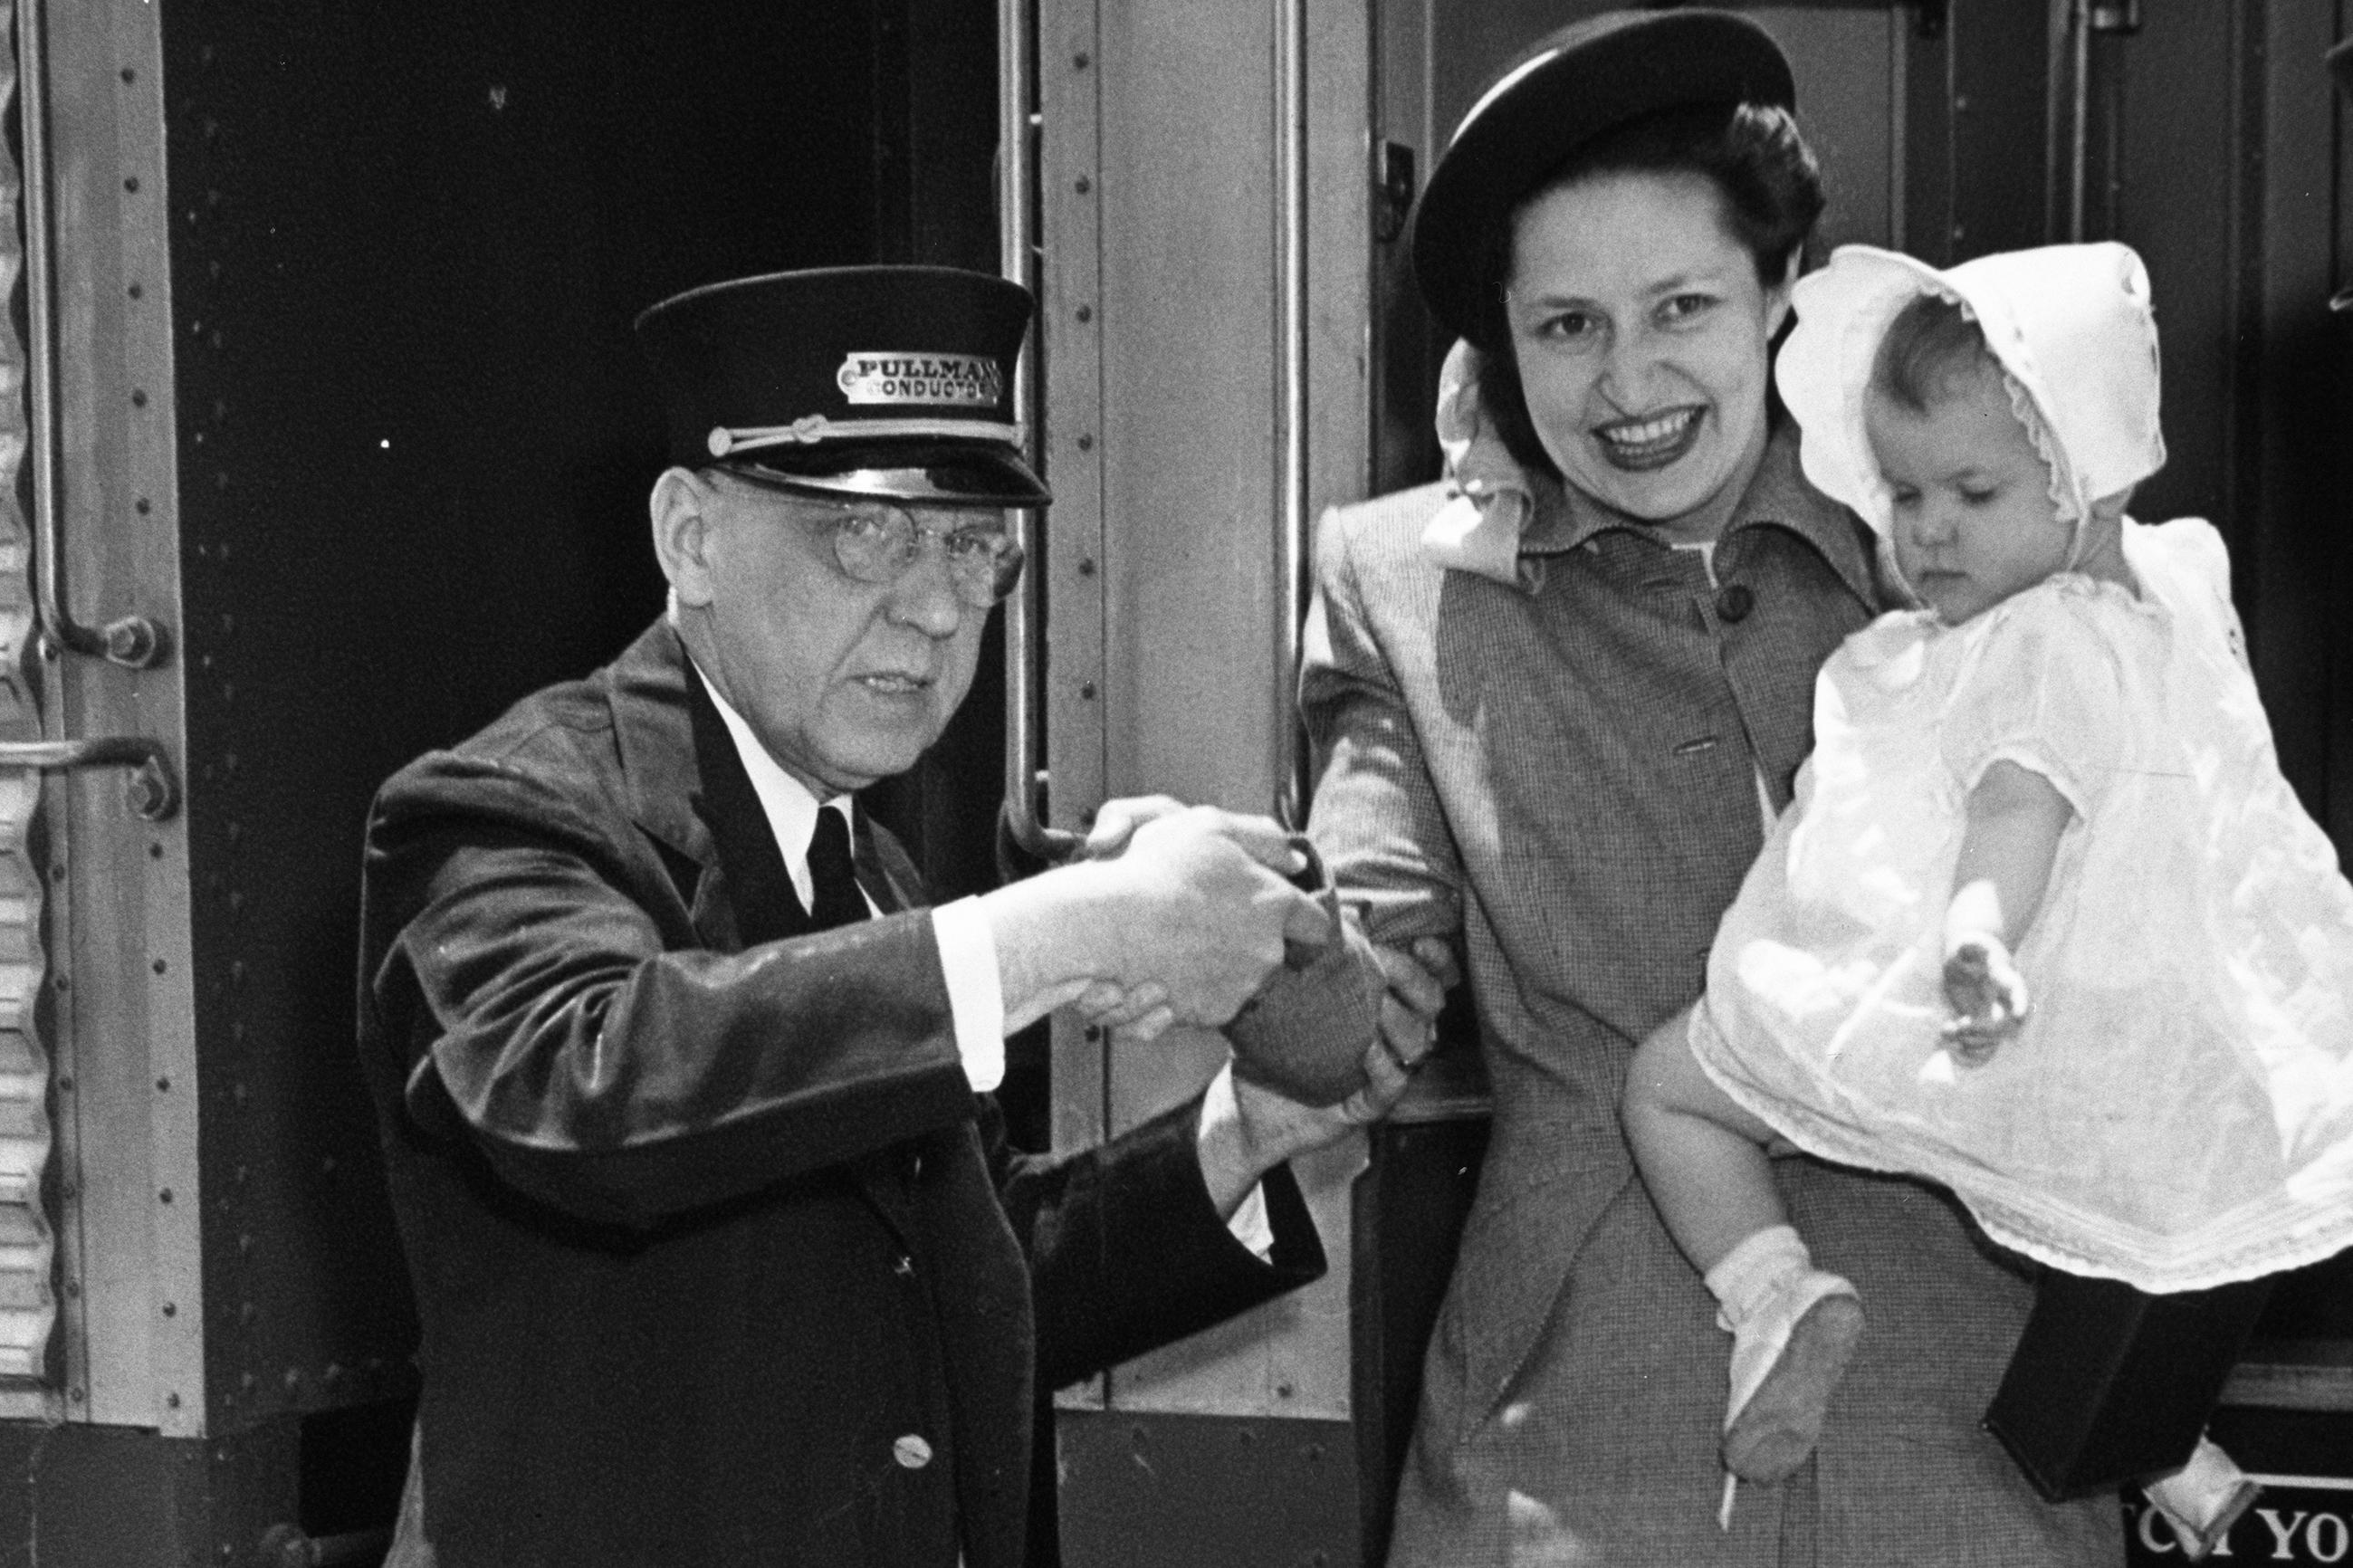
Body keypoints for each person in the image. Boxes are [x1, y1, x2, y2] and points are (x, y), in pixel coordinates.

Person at [354, 263, 1442, 1567]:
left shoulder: (867, 871)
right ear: (688, 538)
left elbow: (952, 1283)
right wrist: (1074, 928)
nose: (935, 609)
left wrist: (1243, 1130)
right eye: (862, 534)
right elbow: (589, 1085)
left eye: (976, 550)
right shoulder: (503, 810)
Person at [1288, 9, 2126, 1563]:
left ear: (1779, 303)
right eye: (1566, 327)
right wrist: (1251, 944)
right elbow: (1359, 985)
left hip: (1977, 1416)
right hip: (1573, 1444)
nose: (1629, 383)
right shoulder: (1398, 587)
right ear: (1499, 345)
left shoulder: (1960, 536)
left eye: (1680, 306)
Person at [1622, 240, 2353, 1554]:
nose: (1926, 529)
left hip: (1987, 986)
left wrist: (1970, 935)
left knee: (1670, 1087)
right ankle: (2156, 1435)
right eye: (1901, 491)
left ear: (2090, 474)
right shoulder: (2171, 581)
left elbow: (2020, 804)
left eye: (1971, 490)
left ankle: (1774, 1295)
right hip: (2146, 1008)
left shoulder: (2031, 645)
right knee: (2095, 1224)